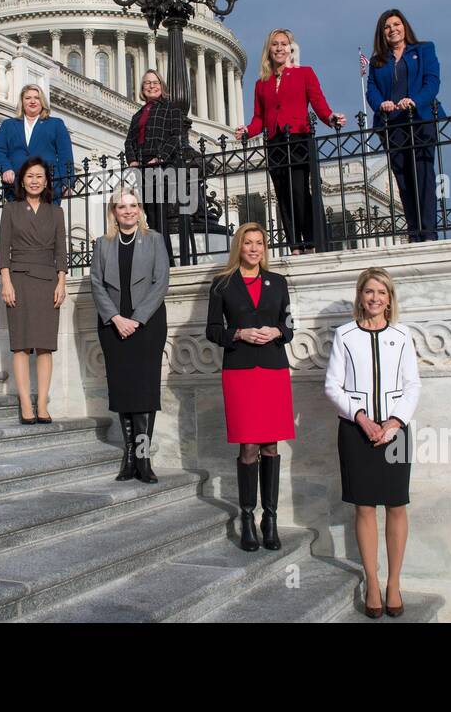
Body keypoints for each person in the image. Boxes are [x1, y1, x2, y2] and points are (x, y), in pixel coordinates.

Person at [323, 267, 421, 619]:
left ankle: (394, 582)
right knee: (364, 507)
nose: (375, 298)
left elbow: (413, 386)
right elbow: (333, 385)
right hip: (355, 430)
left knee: (397, 505)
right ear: (360, 296)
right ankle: (373, 581)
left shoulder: (402, 334)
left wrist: (394, 422)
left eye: (382, 292)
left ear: (389, 298)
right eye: (369, 292)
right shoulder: (345, 335)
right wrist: (362, 418)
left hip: (397, 433)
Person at [204, 222, 294, 552]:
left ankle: (270, 519)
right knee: (248, 448)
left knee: (271, 445)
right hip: (240, 371)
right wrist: (238, 334)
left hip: (273, 369)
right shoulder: (222, 284)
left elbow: (290, 325)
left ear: (264, 248)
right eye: (248, 243)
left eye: (259, 243)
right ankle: (247, 519)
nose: (254, 248)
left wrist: (277, 332)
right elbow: (213, 330)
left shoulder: (279, 282)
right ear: (238, 247)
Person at [235, 29, 346, 254]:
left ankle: (310, 242)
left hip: (297, 136)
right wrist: (248, 130)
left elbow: (318, 102)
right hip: (274, 141)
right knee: (282, 193)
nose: (279, 48)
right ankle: (294, 244)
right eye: (275, 44)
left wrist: (330, 118)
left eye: (283, 44)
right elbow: (259, 118)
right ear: (269, 49)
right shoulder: (261, 83)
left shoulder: (304, 73)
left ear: (290, 48)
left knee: (299, 190)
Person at [89, 186, 170, 484]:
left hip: (146, 325)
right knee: (123, 392)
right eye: (122, 207)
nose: (128, 211)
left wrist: (135, 320)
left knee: (145, 392)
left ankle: (144, 458)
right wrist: (115, 318)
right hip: (113, 325)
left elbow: (161, 282)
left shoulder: (155, 240)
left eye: (133, 205)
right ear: (114, 212)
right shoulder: (102, 244)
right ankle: (129, 458)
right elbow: (96, 283)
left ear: (140, 209)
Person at [0, 157, 68, 424]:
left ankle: (42, 404)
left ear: (46, 181)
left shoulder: (56, 212)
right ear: (22, 180)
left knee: (45, 347)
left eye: (39, 176)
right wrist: (6, 281)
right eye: (29, 176)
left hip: (47, 281)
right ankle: (25, 403)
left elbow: (61, 252)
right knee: (21, 346)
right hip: (18, 279)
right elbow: (3, 249)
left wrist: (61, 282)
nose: (34, 181)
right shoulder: (11, 209)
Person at [365, 9, 441, 242]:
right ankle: (413, 231)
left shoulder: (423, 49)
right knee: (403, 180)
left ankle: (428, 232)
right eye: (387, 27)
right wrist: (382, 105)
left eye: (396, 24)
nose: (392, 29)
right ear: (382, 32)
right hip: (393, 125)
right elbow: (372, 90)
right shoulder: (378, 61)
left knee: (423, 175)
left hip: (419, 120)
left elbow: (432, 81)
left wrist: (415, 100)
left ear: (405, 26)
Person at [124, 69, 184, 265]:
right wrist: (132, 161)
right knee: (150, 214)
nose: (151, 86)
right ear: (142, 88)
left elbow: (176, 137)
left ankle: (166, 260)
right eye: (147, 83)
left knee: (160, 213)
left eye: (155, 82)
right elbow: (129, 142)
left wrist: (160, 157)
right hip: (143, 167)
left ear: (162, 86)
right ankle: (161, 258)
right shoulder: (138, 114)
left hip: (163, 166)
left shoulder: (171, 108)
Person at [0, 84, 74, 204]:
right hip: (16, 187)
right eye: (28, 98)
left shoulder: (56, 124)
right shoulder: (8, 125)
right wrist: (6, 168)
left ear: (42, 102)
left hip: (48, 188)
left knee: (46, 222)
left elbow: (65, 154)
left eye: (37, 98)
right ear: (22, 101)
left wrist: (67, 182)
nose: (32, 101)